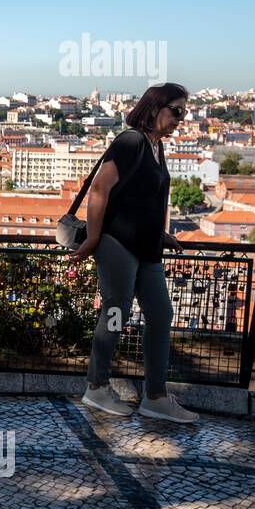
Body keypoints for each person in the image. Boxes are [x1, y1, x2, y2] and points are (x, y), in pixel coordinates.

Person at [69, 82, 198, 424]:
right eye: (177, 111)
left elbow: (144, 200)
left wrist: (161, 234)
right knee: (116, 312)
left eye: (183, 112)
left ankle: (155, 396)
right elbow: (99, 188)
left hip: (147, 246)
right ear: (155, 108)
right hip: (117, 243)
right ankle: (96, 386)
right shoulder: (131, 141)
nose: (181, 119)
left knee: (160, 315)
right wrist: (94, 237)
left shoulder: (157, 147)